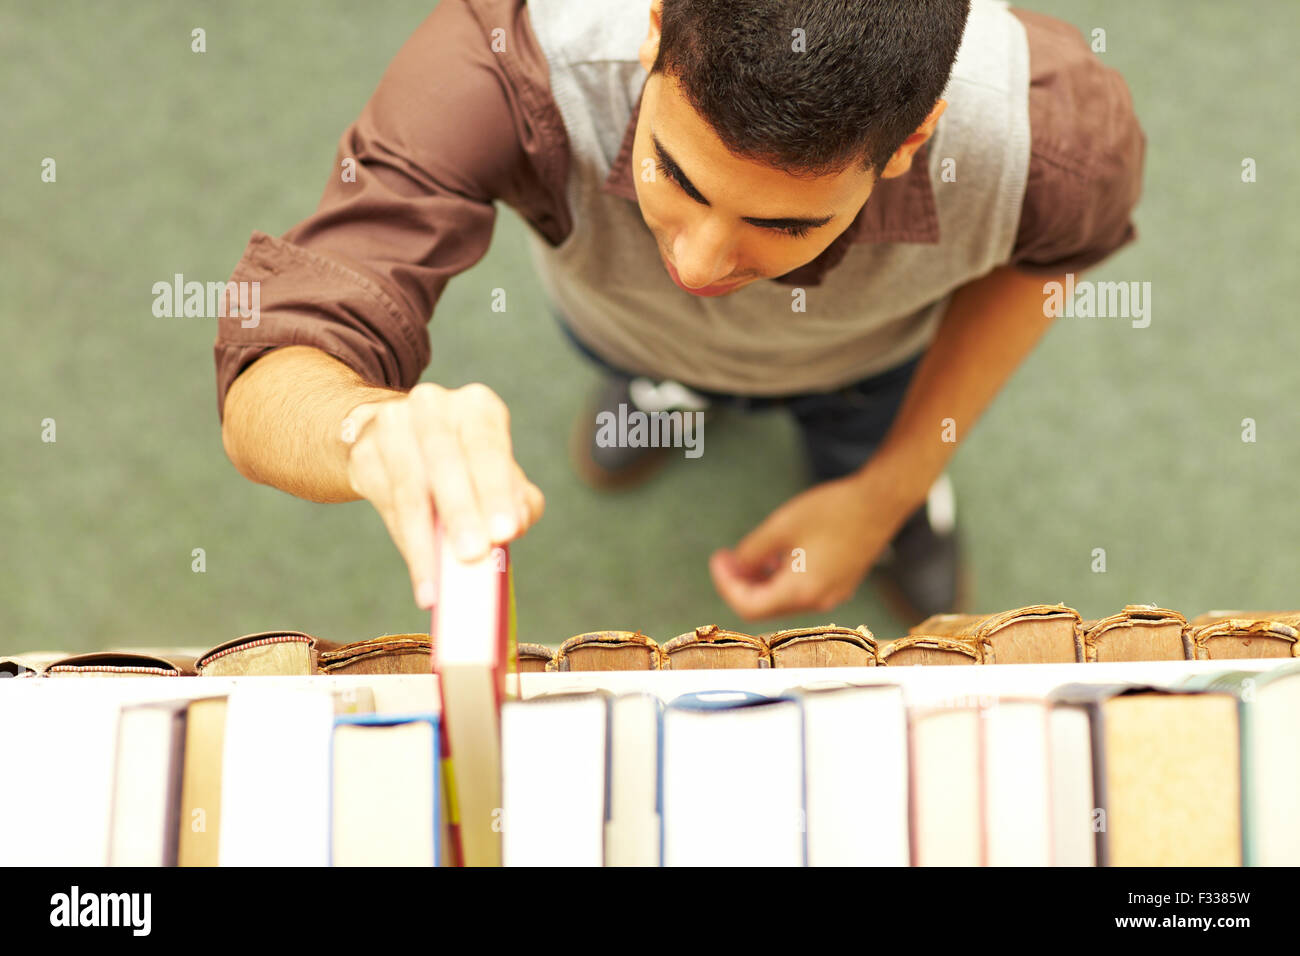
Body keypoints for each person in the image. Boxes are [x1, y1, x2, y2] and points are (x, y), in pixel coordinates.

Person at [215, 0, 1145, 623]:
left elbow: (1052, 264)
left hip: (871, 369)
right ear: (655, 32)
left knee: (865, 437)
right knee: (639, 369)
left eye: (784, 221)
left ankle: (891, 502)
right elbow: (284, 348)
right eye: (675, 172)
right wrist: (362, 429)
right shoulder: (504, 62)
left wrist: (886, 491)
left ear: (909, 142)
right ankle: (667, 395)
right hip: (619, 329)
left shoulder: (1057, 145)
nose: (697, 263)